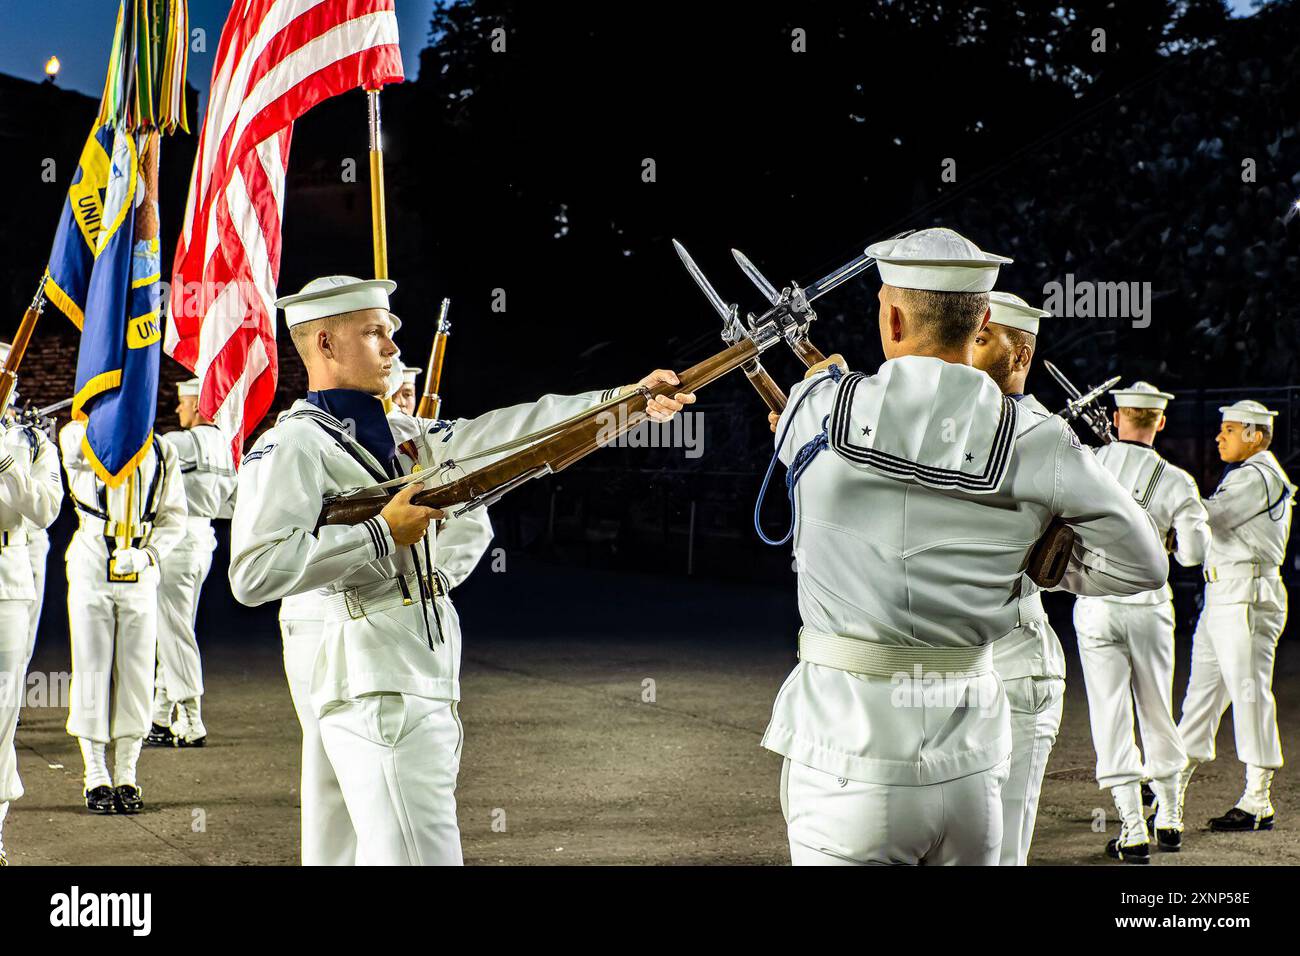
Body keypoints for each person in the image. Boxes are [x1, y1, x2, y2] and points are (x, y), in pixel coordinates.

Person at [230, 274, 695, 865]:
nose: (395, 349)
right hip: (377, 684)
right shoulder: (293, 444)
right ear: (324, 344)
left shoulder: (403, 435)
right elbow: (254, 572)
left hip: (401, 673)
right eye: (375, 333)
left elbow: (514, 431)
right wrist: (381, 534)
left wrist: (621, 401)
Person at [760, 228, 1168, 865]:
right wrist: (1040, 553)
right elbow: (1144, 564)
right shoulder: (1041, 438)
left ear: (891, 315)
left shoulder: (814, 409)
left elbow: (806, 436)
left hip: (849, 758)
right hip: (972, 766)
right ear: (980, 319)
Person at [1073, 382, 1210, 861]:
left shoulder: (1090, 463)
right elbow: (1193, 555)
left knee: (1109, 714)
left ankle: (1132, 831)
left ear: (1116, 419)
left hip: (1096, 603)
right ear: (1161, 422)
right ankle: (1170, 817)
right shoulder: (1177, 480)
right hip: (1151, 606)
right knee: (1157, 707)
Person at [970, 291, 1068, 866]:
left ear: (1020, 354)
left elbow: (1133, 559)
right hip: (952, 673)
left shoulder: (1043, 437)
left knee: (1002, 852)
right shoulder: (939, 424)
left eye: (982, 341)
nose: (966, 354)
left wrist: (1052, 560)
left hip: (1016, 666)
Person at [1177, 399, 1295, 832]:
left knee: (1249, 695)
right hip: (1225, 595)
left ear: (1255, 435)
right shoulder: (1250, 475)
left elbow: (1210, 516)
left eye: (1229, 429)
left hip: (1246, 597)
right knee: (1201, 698)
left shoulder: (1257, 475)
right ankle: (1171, 782)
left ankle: (1258, 799)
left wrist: (1167, 494)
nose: (1218, 436)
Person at [60, 417, 187, 814]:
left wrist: (150, 554)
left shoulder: (163, 451)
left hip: (138, 565)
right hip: (93, 559)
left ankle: (127, 773)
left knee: (136, 672)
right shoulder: (82, 437)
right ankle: (95, 774)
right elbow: (73, 447)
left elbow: (174, 517)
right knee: (92, 668)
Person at [148, 378, 237, 747]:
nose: (177, 410)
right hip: (204, 539)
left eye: (183, 403)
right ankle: (159, 715)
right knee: (175, 627)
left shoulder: (177, 443)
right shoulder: (229, 447)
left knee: (173, 630)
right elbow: (233, 505)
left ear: (199, 405)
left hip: (175, 540)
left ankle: (192, 716)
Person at [0, 372, 62, 864]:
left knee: (3, 714)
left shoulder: (33, 443)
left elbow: (44, 510)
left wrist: (6, 462)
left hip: (8, 578)